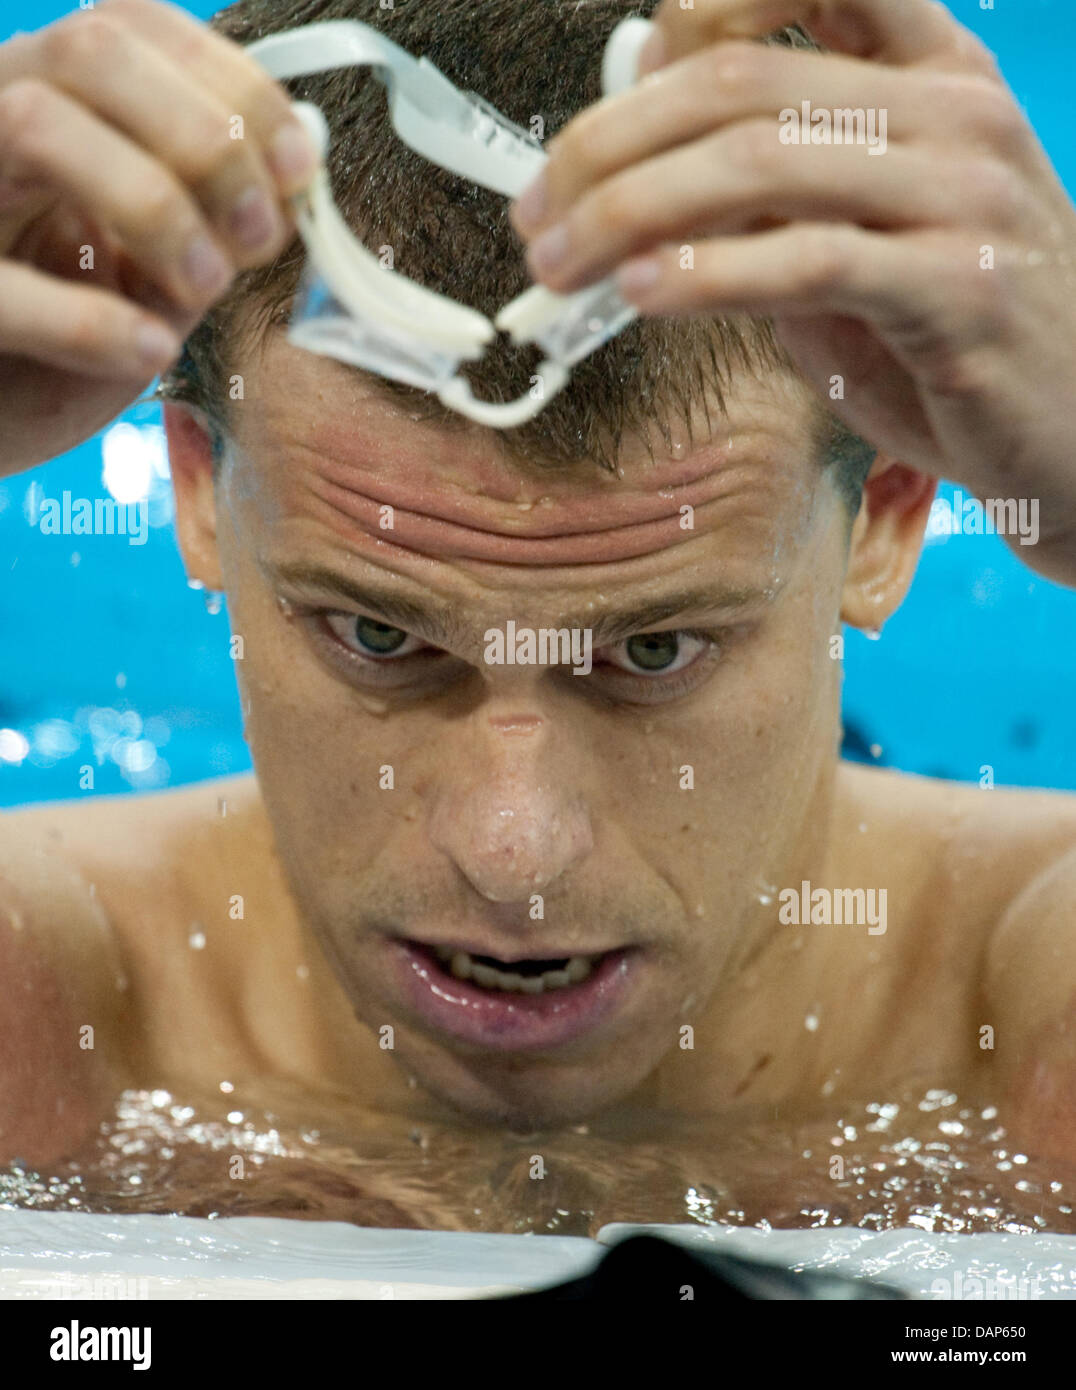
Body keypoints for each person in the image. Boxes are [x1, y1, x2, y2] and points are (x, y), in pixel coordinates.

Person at [1, 0, 1074, 1229]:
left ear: (887, 514)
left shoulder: (1033, 1023)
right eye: (381, 637)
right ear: (195, 485)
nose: (513, 857)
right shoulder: (53, 1008)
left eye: (653, 650)